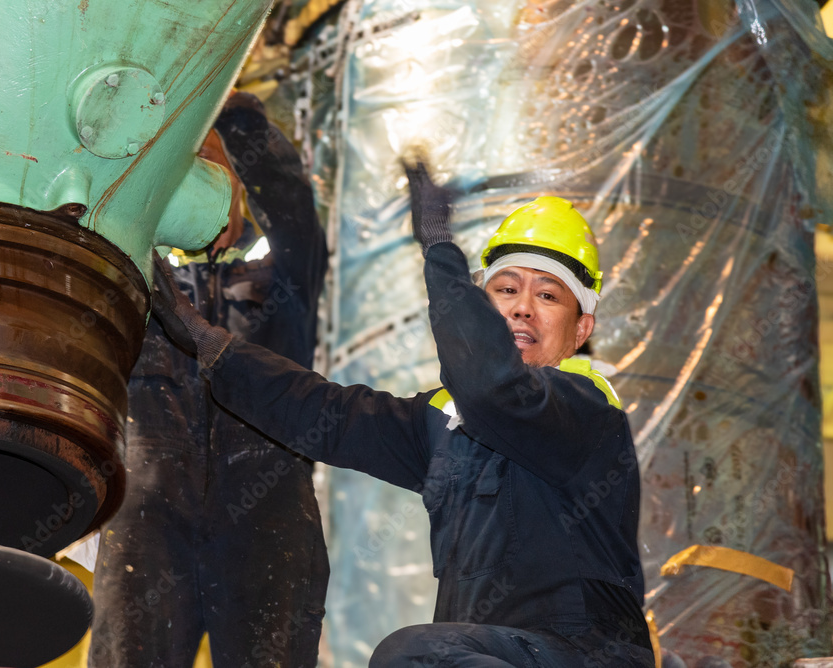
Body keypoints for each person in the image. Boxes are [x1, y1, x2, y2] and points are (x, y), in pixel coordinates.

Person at [154, 160, 654, 667]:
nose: (523, 307)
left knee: (416, 654)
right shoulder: (442, 422)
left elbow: (491, 389)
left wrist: (439, 249)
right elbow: (328, 415)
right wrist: (210, 346)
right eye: (506, 290)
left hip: (587, 656)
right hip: (480, 655)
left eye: (548, 295)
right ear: (484, 308)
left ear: (581, 330)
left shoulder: (587, 409)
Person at [88, 93, 330, 668]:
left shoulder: (284, 261)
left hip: (266, 495)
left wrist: (229, 115)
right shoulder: (133, 254)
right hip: (148, 501)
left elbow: (288, 195)